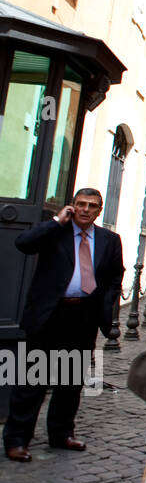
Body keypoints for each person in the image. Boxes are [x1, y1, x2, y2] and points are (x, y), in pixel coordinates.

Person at [4, 190, 124, 462]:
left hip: (83, 317)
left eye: (91, 206)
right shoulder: (55, 232)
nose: (85, 210)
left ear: (99, 210)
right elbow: (24, 243)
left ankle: (61, 433)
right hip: (50, 314)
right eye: (80, 204)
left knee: (70, 382)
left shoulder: (109, 240)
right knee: (32, 380)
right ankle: (17, 439)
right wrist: (57, 221)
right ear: (72, 206)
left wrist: (106, 304)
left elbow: (116, 274)